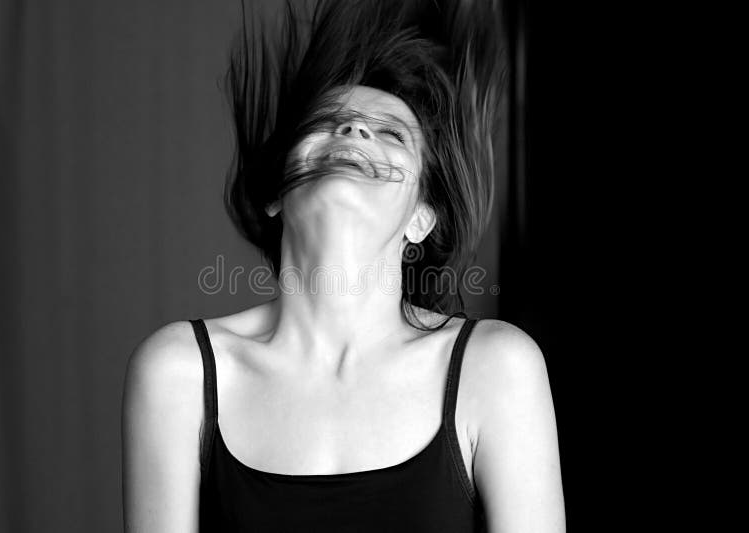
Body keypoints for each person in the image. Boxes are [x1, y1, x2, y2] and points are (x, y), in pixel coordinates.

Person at [122, 0, 565, 531]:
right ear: (274, 196)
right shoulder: (179, 372)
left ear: (422, 219)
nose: (354, 132)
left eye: (391, 134)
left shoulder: (496, 368)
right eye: (327, 123)